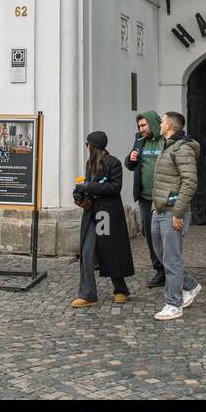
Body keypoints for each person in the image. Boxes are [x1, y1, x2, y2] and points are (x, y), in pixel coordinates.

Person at [72, 131, 135, 307]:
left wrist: (89, 186)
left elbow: (115, 187)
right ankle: (88, 294)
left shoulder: (113, 163)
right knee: (87, 252)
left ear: (92, 146)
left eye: (87, 145)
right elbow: (90, 187)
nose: (86, 148)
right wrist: (80, 194)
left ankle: (120, 289)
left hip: (106, 214)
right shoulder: (89, 163)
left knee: (109, 251)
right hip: (92, 213)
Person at [149, 111, 201, 321]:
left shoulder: (182, 149)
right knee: (162, 256)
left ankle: (173, 303)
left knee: (172, 259)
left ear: (169, 126)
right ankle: (190, 285)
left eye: (162, 121)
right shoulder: (167, 145)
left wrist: (178, 212)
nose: (159, 124)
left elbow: (190, 182)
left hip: (173, 213)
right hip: (159, 210)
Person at [125, 111, 166, 288]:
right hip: (145, 197)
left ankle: (171, 269)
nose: (141, 129)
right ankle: (160, 270)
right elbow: (129, 165)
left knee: (166, 234)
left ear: (153, 123)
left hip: (164, 196)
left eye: (144, 125)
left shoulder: (165, 141)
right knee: (149, 234)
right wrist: (130, 158)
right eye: (139, 126)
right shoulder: (140, 141)